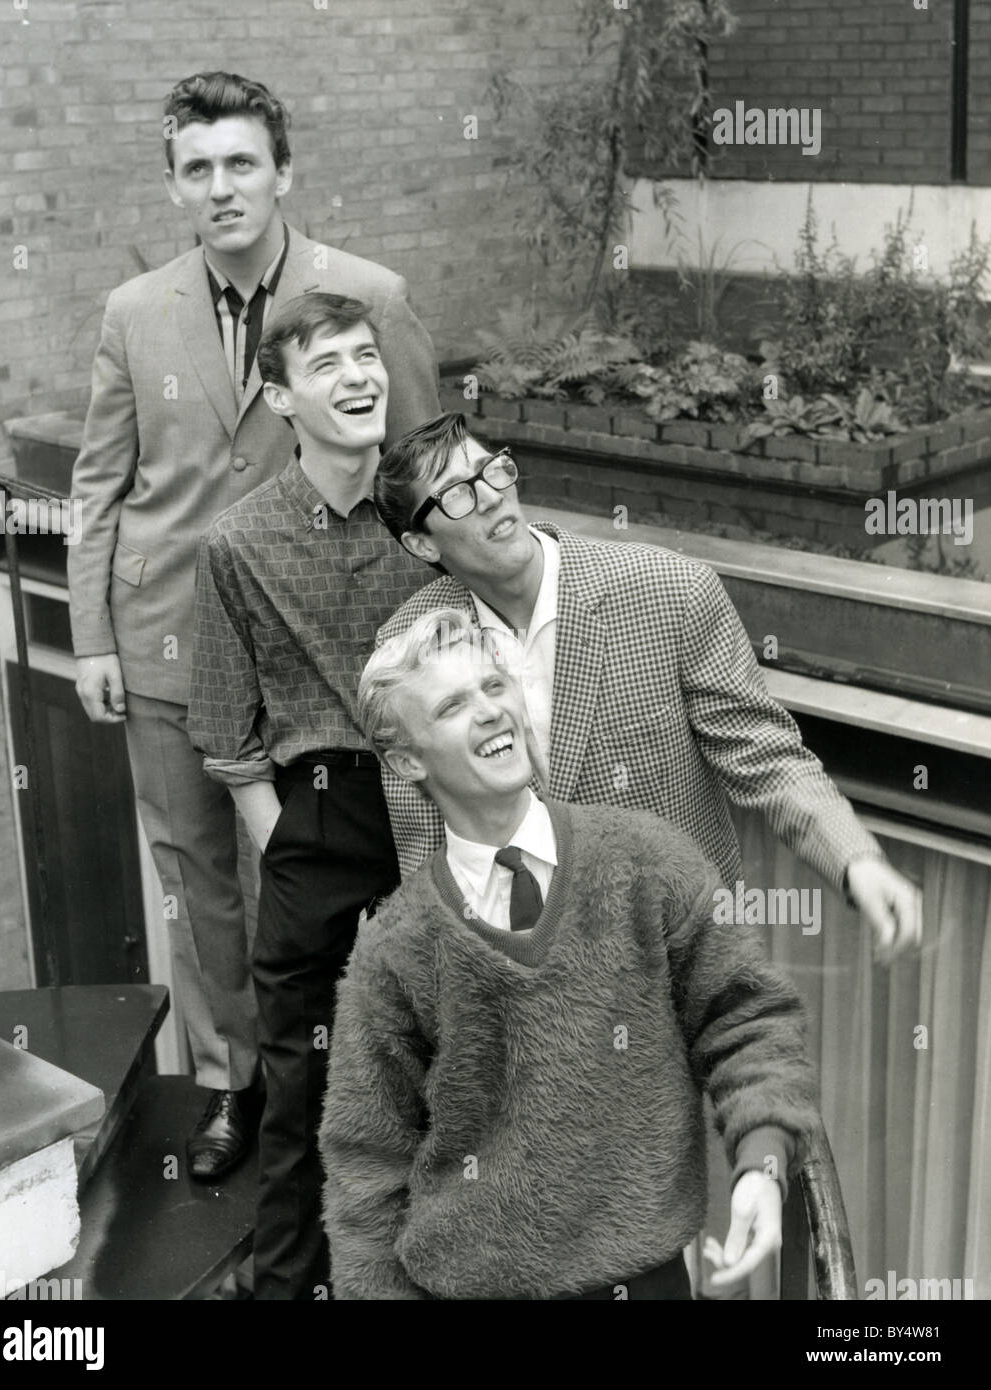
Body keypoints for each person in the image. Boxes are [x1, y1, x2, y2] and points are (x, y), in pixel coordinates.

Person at [67, 71, 439, 1183]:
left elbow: (424, 468)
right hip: (166, 642)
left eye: (242, 164)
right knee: (201, 877)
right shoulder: (134, 313)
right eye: (198, 169)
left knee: (351, 882)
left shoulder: (369, 291)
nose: (222, 187)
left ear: (285, 172)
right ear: (174, 185)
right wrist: (91, 635)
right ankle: (242, 1082)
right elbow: (99, 483)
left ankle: (357, 1088)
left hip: (327, 661)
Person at [319, 608, 820, 1300]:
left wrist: (761, 1166)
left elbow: (752, 1021)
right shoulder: (391, 950)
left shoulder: (650, 861)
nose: (491, 713)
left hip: (644, 1282)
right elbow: (366, 1169)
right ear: (406, 760)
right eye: (454, 705)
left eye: (496, 686)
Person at [371, 412, 921, 959]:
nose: (491, 496)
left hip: (681, 953)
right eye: (457, 495)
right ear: (421, 544)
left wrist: (856, 861)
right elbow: (428, 846)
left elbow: (765, 754)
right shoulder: (413, 650)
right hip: (529, 976)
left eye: (492, 471)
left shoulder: (670, 592)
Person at [187, 291, 432, 1300]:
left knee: (433, 1084)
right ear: (279, 396)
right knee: (299, 1100)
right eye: (326, 363)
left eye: (366, 356)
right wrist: (288, 838)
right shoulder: (237, 543)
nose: (359, 377)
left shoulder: (429, 515)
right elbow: (224, 729)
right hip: (315, 821)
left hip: (437, 820)